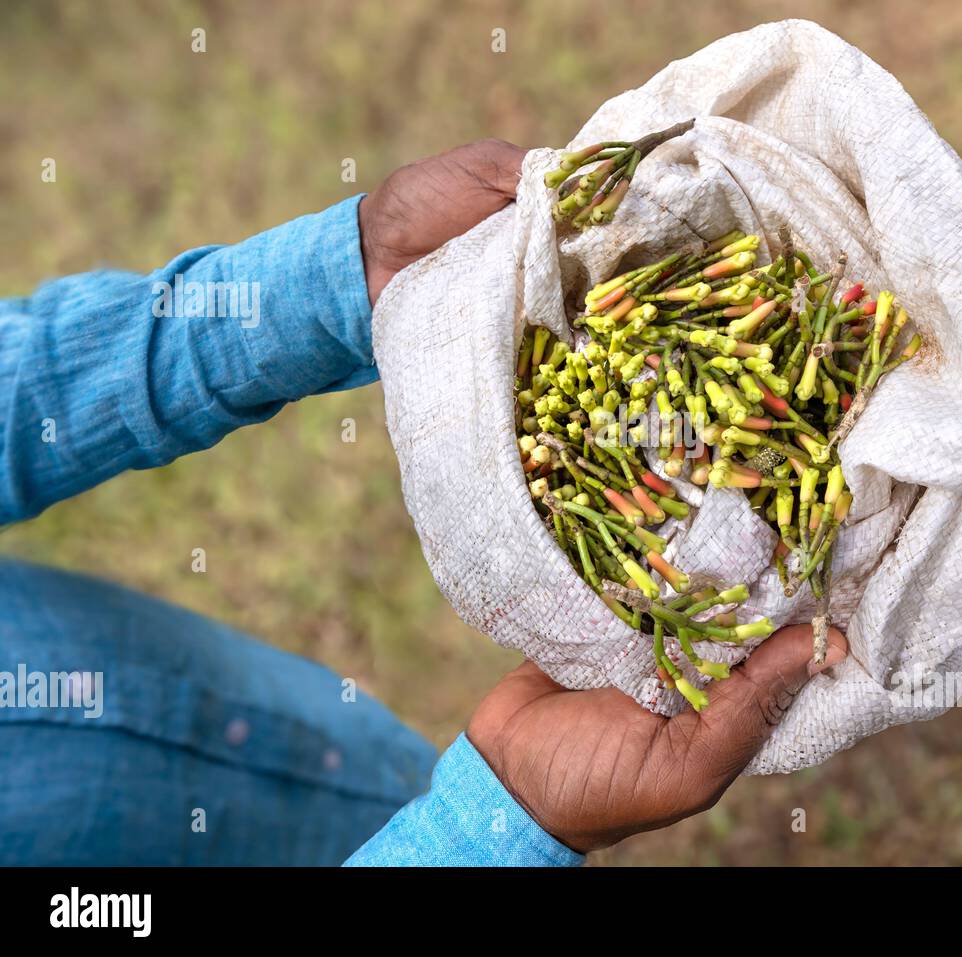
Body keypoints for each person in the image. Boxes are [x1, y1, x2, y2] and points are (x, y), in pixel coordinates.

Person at [0, 140, 847, 866]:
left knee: (375, 773)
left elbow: (29, 390)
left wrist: (349, 268)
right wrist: (488, 831)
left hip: (214, 705)